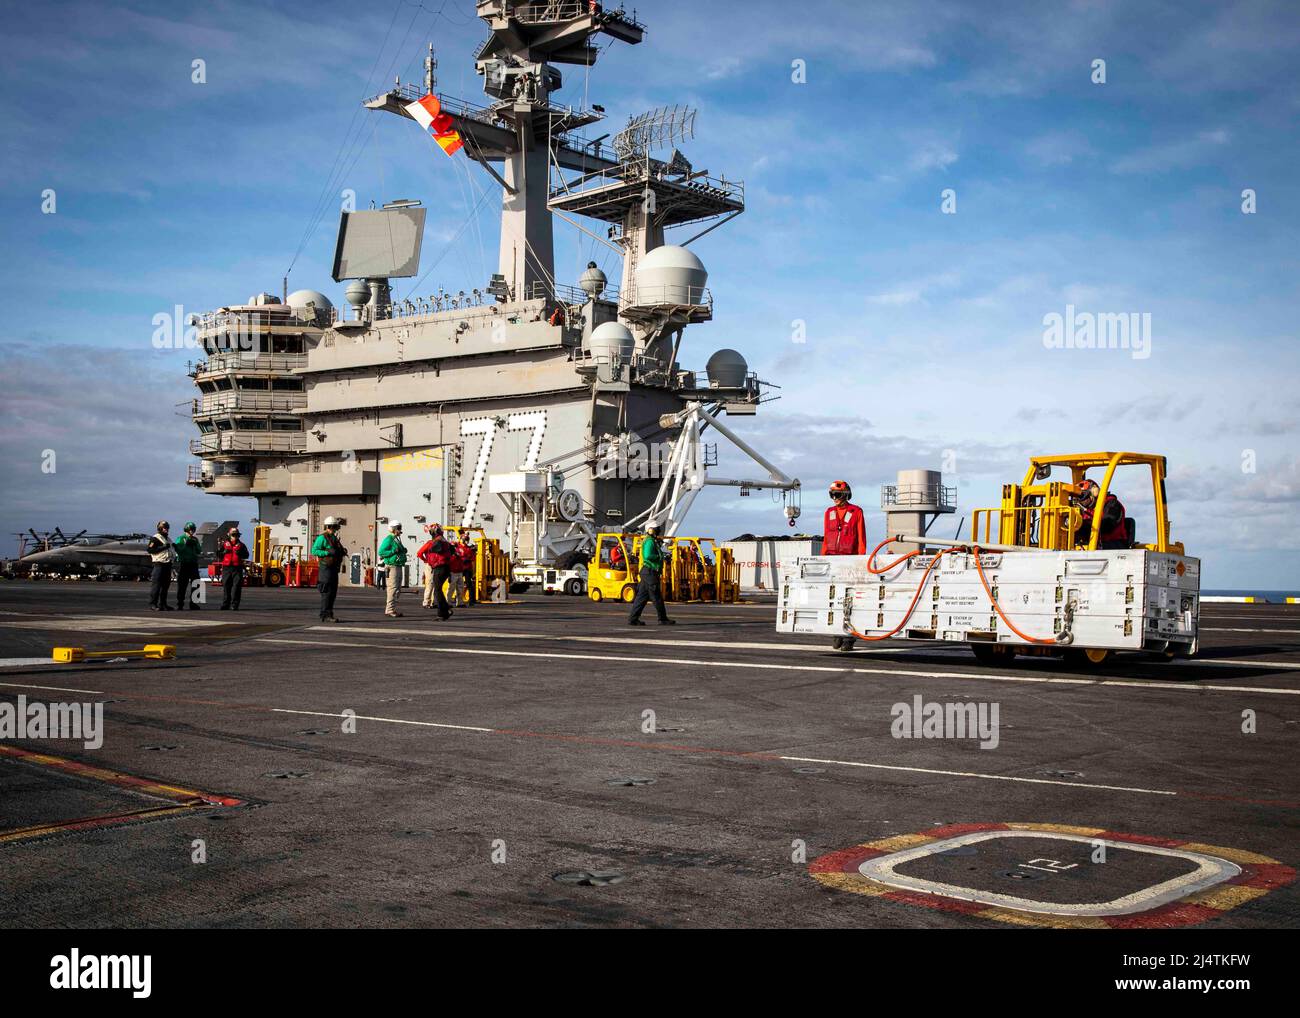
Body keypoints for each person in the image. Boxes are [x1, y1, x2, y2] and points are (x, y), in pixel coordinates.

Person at [823, 480, 867, 651]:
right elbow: (827, 538)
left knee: (851, 602)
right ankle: (837, 632)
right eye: (832, 495)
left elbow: (861, 537)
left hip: (850, 562)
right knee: (834, 600)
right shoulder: (829, 513)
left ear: (846, 494)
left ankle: (849, 637)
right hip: (833, 561)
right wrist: (824, 559)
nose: (835, 498)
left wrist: (861, 561)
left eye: (838, 495)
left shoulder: (856, 511)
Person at [628, 522, 674, 627]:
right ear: (651, 530)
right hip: (650, 572)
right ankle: (662, 619)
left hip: (647, 572)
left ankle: (633, 619)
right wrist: (659, 557)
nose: (658, 530)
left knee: (642, 597)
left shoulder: (651, 540)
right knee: (656, 596)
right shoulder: (649, 541)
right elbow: (648, 555)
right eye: (656, 529)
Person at [1074, 479, 1129, 549]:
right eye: (1079, 498)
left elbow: (1106, 526)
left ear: (1094, 493)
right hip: (1092, 544)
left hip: (1114, 544)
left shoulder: (1112, 504)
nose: (1082, 501)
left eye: (1084, 497)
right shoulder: (1082, 509)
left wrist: (1083, 524)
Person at [417, 524, 455, 620]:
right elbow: (452, 550)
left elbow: (438, 548)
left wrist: (432, 550)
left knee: (437, 590)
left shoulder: (438, 541)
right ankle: (442, 614)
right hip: (444, 567)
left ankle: (445, 609)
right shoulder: (443, 540)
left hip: (440, 567)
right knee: (438, 590)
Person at [312, 517, 348, 622]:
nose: (335, 529)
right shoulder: (322, 538)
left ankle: (328, 613)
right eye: (334, 527)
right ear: (329, 526)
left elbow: (336, 550)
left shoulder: (334, 537)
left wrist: (341, 551)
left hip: (333, 568)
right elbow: (314, 551)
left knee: (333, 592)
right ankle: (325, 614)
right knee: (327, 591)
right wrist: (327, 552)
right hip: (325, 569)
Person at [377, 522, 407, 618]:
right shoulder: (389, 539)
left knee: (397, 589)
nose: (400, 530)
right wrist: (393, 551)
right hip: (392, 566)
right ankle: (389, 610)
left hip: (398, 565)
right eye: (398, 528)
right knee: (393, 588)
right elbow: (381, 551)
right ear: (393, 529)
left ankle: (392, 608)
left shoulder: (396, 539)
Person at [218, 526, 250, 610]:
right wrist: (223, 552)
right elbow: (218, 554)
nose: (235, 537)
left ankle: (234, 605)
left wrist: (240, 553)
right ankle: (226, 604)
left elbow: (246, 555)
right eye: (233, 535)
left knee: (237, 587)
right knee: (226, 586)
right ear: (229, 535)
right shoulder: (224, 544)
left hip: (237, 568)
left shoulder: (241, 545)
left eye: (237, 535)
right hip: (226, 568)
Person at [146, 520, 175, 611]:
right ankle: (153, 604)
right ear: (160, 528)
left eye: (166, 528)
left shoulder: (168, 539)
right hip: (159, 564)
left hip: (168, 564)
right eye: (164, 528)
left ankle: (163, 604)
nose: (166, 529)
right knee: (156, 585)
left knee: (165, 586)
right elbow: (150, 550)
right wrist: (162, 547)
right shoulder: (155, 538)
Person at [174, 522, 202, 610]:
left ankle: (194, 603)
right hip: (184, 563)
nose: (192, 531)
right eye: (190, 529)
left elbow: (199, 550)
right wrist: (186, 545)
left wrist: (195, 544)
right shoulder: (181, 538)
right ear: (186, 529)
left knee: (196, 584)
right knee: (182, 584)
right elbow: (178, 550)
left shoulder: (195, 539)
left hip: (193, 563)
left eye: (193, 529)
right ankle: (180, 603)